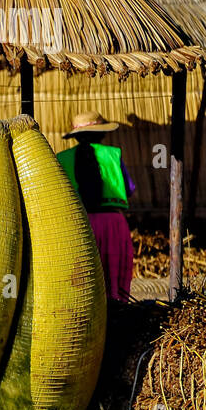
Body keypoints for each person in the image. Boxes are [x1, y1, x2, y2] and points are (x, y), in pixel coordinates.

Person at [55, 110, 136, 302]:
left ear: (76, 137)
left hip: (78, 223)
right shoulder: (113, 155)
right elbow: (129, 188)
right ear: (102, 133)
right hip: (112, 223)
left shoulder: (62, 158)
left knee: (83, 274)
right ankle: (116, 309)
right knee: (113, 273)